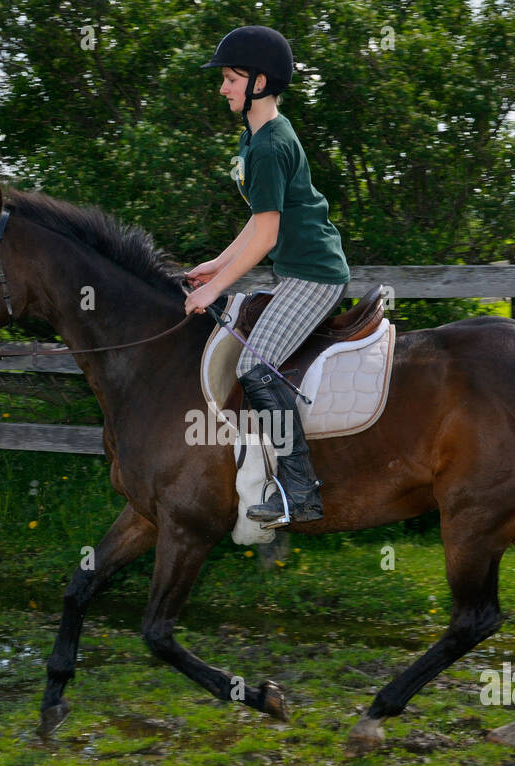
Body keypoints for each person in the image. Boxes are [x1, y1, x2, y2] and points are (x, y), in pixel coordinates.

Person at [185, 25, 351, 526]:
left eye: (231, 79)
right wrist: (217, 264)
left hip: (315, 275)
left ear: (260, 80)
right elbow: (258, 220)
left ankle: (298, 492)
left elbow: (267, 236)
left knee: (256, 369)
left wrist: (216, 288)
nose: (223, 88)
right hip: (295, 271)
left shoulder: (269, 144)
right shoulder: (253, 136)